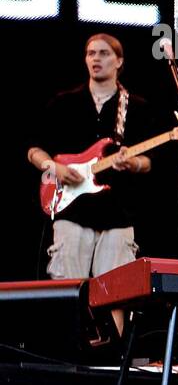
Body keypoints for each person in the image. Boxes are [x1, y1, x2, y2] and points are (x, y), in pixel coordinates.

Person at [27, 34, 154, 332]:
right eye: (90, 53)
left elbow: (148, 162)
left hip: (118, 213)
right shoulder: (64, 103)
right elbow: (33, 149)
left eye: (104, 53)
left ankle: (112, 362)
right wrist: (53, 167)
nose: (96, 59)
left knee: (116, 292)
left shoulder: (135, 107)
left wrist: (132, 162)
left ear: (119, 61)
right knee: (70, 289)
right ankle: (71, 355)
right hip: (71, 210)